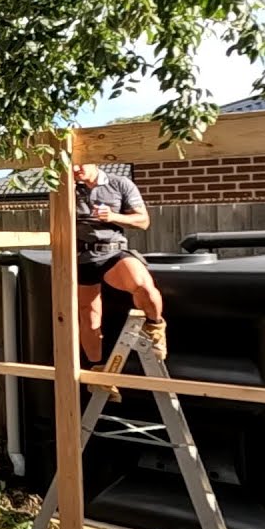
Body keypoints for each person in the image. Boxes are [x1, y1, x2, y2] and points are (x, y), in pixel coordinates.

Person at [73, 163, 167, 397]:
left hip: (114, 251)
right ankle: (99, 371)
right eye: (71, 165)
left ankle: (155, 326)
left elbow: (143, 221)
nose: (75, 169)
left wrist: (113, 216)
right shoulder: (67, 189)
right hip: (82, 256)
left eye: (80, 164)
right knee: (88, 316)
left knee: (143, 285)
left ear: (94, 161)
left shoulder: (119, 184)